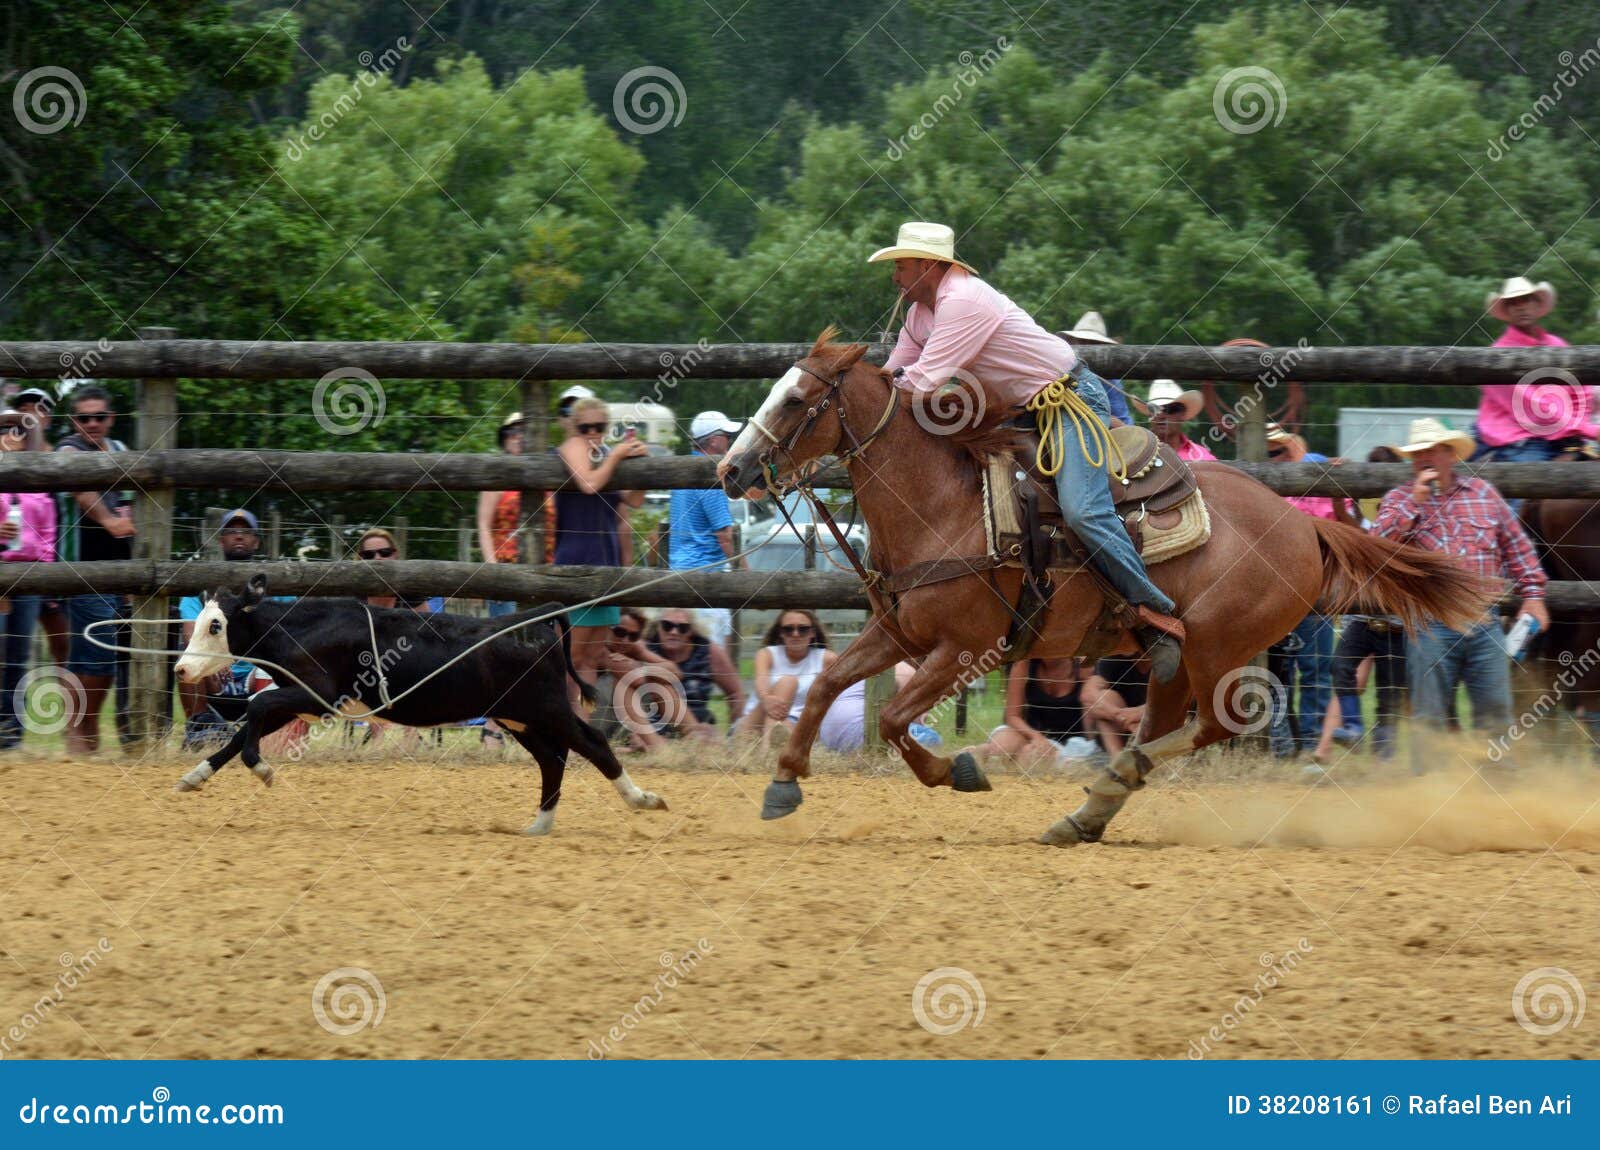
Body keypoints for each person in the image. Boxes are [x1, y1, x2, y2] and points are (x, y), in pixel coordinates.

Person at [869, 221, 1185, 681]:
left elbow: (920, 382)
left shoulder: (963, 301)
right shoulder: (920, 313)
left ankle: (1155, 611)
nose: (895, 276)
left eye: (900, 265)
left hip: (1068, 402)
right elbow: (892, 376)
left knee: (1083, 511)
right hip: (1021, 411)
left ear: (927, 265)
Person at [1374, 418, 1548, 755]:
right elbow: (1377, 549)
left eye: (1432, 450)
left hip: (1485, 620)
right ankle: (1431, 790)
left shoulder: (1484, 493)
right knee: (1429, 713)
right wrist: (1415, 504)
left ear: (1451, 454)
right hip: (1430, 621)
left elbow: (1517, 546)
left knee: (1496, 710)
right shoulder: (1398, 499)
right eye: (1417, 453)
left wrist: (1534, 595)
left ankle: (1498, 788)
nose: (1424, 458)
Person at [56, 385, 134, 755]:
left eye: (99, 416)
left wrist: (128, 531)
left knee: (95, 653)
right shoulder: (69, 449)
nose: (92, 423)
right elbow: (83, 490)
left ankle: (86, 732)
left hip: (119, 566)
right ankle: (77, 732)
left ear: (110, 419)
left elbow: (133, 501)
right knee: (95, 651)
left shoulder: (120, 451)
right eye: (84, 417)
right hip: (81, 565)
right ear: (74, 421)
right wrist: (110, 521)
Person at [555, 397, 649, 696]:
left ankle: (581, 735)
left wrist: (642, 467)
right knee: (571, 659)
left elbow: (633, 500)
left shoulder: (607, 454)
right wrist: (619, 455)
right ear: (574, 427)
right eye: (586, 427)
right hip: (576, 567)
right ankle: (564, 730)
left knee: (591, 662)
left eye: (600, 427)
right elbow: (588, 483)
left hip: (606, 567)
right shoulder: (573, 447)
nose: (593, 433)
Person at [178, 510, 282, 750]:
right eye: (231, 531)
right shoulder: (201, 588)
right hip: (214, 676)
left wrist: (262, 665)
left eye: (245, 531)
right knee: (187, 654)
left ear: (256, 541)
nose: (238, 537)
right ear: (221, 540)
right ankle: (200, 727)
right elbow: (190, 634)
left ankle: (268, 739)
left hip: (259, 675)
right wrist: (215, 659)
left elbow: (287, 635)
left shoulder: (276, 583)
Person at [1474, 277, 1593, 465]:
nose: (1521, 307)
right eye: (1513, 303)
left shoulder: (1557, 344)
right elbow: (1532, 409)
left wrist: (1579, 430)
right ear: (1507, 311)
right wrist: (1588, 430)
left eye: (1527, 300)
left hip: (1560, 434)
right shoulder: (1497, 354)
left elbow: (1581, 390)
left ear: (1538, 306)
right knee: (1533, 482)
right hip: (1518, 437)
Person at [0, 409, 58, 750]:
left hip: (31, 576)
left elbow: (50, 531)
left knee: (19, 653)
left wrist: (48, 576)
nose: (11, 435)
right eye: (4, 429)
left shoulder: (38, 481)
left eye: (18, 430)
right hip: (0, 570)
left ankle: (11, 733)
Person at [668, 412, 743, 649]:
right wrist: (746, 572)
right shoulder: (711, 475)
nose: (730, 441)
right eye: (726, 436)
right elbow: (724, 536)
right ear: (713, 440)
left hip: (679, 574)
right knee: (714, 656)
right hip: (706, 579)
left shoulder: (683, 469)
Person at [11, 389, 69, 668]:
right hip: (15, 563)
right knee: (11, 644)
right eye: (24, 408)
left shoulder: (59, 457)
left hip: (51, 566)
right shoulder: (6, 454)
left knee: (62, 645)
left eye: (38, 408)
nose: (30, 414)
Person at [968, 657, 1098, 771]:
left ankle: (1005, 768)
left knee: (1029, 755)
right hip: (1029, 733)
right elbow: (1012, 716)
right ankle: (968, 758)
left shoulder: (1084, 666)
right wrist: (1037, 737)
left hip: (1070, 744)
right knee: (1001, 746)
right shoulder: (1024, 665)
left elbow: (1094, 719)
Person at [734, 609, 837, 746]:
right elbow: (761, 679)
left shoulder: (827, 658)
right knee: (787, 683)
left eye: (803, 629)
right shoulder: (767, 654)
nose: (795, 634)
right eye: (788, 629)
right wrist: (766, 698)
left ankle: (766, 755)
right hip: (754, 722)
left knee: (783, 725)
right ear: (781, 633)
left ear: (813, 632)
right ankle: (769, 753)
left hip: (798, 723)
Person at [477, 413, 525, 618]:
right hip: (506, 571)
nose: (519, 437)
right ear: (504, 439)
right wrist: (493, 573)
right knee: (508, 639)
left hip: (544, 569)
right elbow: (483, 525)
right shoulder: (497, 478)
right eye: (512, 432)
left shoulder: (549, 473)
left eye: (524, 431)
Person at [1061, 310, 1133, 426]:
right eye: (1082, 341)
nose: (1087, 347)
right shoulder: (1059, 370)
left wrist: (1093, 416)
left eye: (1093, 343)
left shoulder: (1110, 379)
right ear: (1072, 342)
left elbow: (1123, 423)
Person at [1081, 655, 1151, 757]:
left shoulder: (1170, 660)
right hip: (1125, 728)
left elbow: (1174, 702)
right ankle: (1118, 762)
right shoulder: (1114, 657)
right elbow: (1088, 695)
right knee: (1106, 697)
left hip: (1155, 723)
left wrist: (1139, 713)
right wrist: (1119, 716)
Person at [356, 527, 435, 612]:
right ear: (361, 559)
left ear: (395, 555)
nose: (377, 558)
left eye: (385, 552)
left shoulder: (411, 592)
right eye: (368, 555)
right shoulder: (351, 594)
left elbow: (426, 623)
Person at [1145, 380, 1216, 461]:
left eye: (1170, 409)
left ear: (1183, 415)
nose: (1161, 416)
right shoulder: (1136, 454)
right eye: (1154, 410)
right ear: (1149, 415)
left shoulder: (1203, 457)